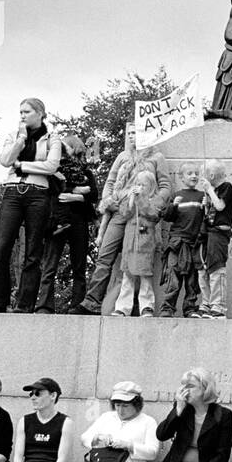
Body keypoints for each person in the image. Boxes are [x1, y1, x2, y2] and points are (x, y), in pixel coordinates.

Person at [77, 122, 171, 315]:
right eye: (129, 133)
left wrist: (153, 204)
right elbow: (110, 182)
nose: (131, 136)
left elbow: (165, 186)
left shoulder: (156, 157)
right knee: (105, 254)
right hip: (121, 210)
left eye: (135, 133)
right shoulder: (123, 156)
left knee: (140, 261)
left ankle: (139, 305)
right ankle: (92, 302)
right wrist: (108, 200)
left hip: (142, 212)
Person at [0, 98, 62, 313]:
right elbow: (4, 160)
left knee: (33, 251)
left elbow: (51, 166)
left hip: (38, 194)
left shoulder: (52, 138)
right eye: (20, 112)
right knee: (2, 248)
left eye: (27, 112)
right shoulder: (14, 136)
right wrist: (20, 141)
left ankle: (24, 304)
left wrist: (21, 164)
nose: (22, 116)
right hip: (12, 191)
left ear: (40, 113)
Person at [35, 132, 99, 314]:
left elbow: (93, 195)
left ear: (75, 148)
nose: (61, 149)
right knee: (50, 264)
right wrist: (77, 191)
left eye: (66, 146)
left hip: (79, 221)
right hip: (57, 220)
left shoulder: (86, 172)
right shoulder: (55, 169)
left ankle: (77, 304)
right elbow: (52, 192)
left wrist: (75, 196)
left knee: (79, 265)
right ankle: (44, 305)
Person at [112, 171, 165, 317]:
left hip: (145, 242)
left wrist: (141, 199)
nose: (140, 187)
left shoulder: (155, 199)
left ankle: (147, 306)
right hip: (130, 241)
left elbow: (153, 214)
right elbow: (124, 213)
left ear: (151, 186)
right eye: (138, 184)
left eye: (143, 184)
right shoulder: (131, 197)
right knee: (127, 275)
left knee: (145, 274)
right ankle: (123, 307)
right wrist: (131, 199)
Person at [159, 163, 207, 319]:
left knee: (192, 280)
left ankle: (190, 308)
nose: (194, 176)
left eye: (196, 173)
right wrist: (173, 205)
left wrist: (207, 205)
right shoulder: (177, 195)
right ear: (181, 177)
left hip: (195, 244)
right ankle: (167, 308)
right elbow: (167, 217)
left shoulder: (202, 196)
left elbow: (206, 219)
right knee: (173, 277)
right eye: (189, 173)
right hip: (177, 243)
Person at [197, 161, 232, 319]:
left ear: (211, 176)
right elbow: (211, 211)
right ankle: (206, 303)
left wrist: (209, 190)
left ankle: (218, 306)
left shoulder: (227, 187)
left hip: (218, 234)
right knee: (203, 269)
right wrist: (206, 204)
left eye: (203, 174)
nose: (201, 179)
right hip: (206, 233)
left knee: (216, 269)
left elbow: (220, 206)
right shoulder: (210, 192)